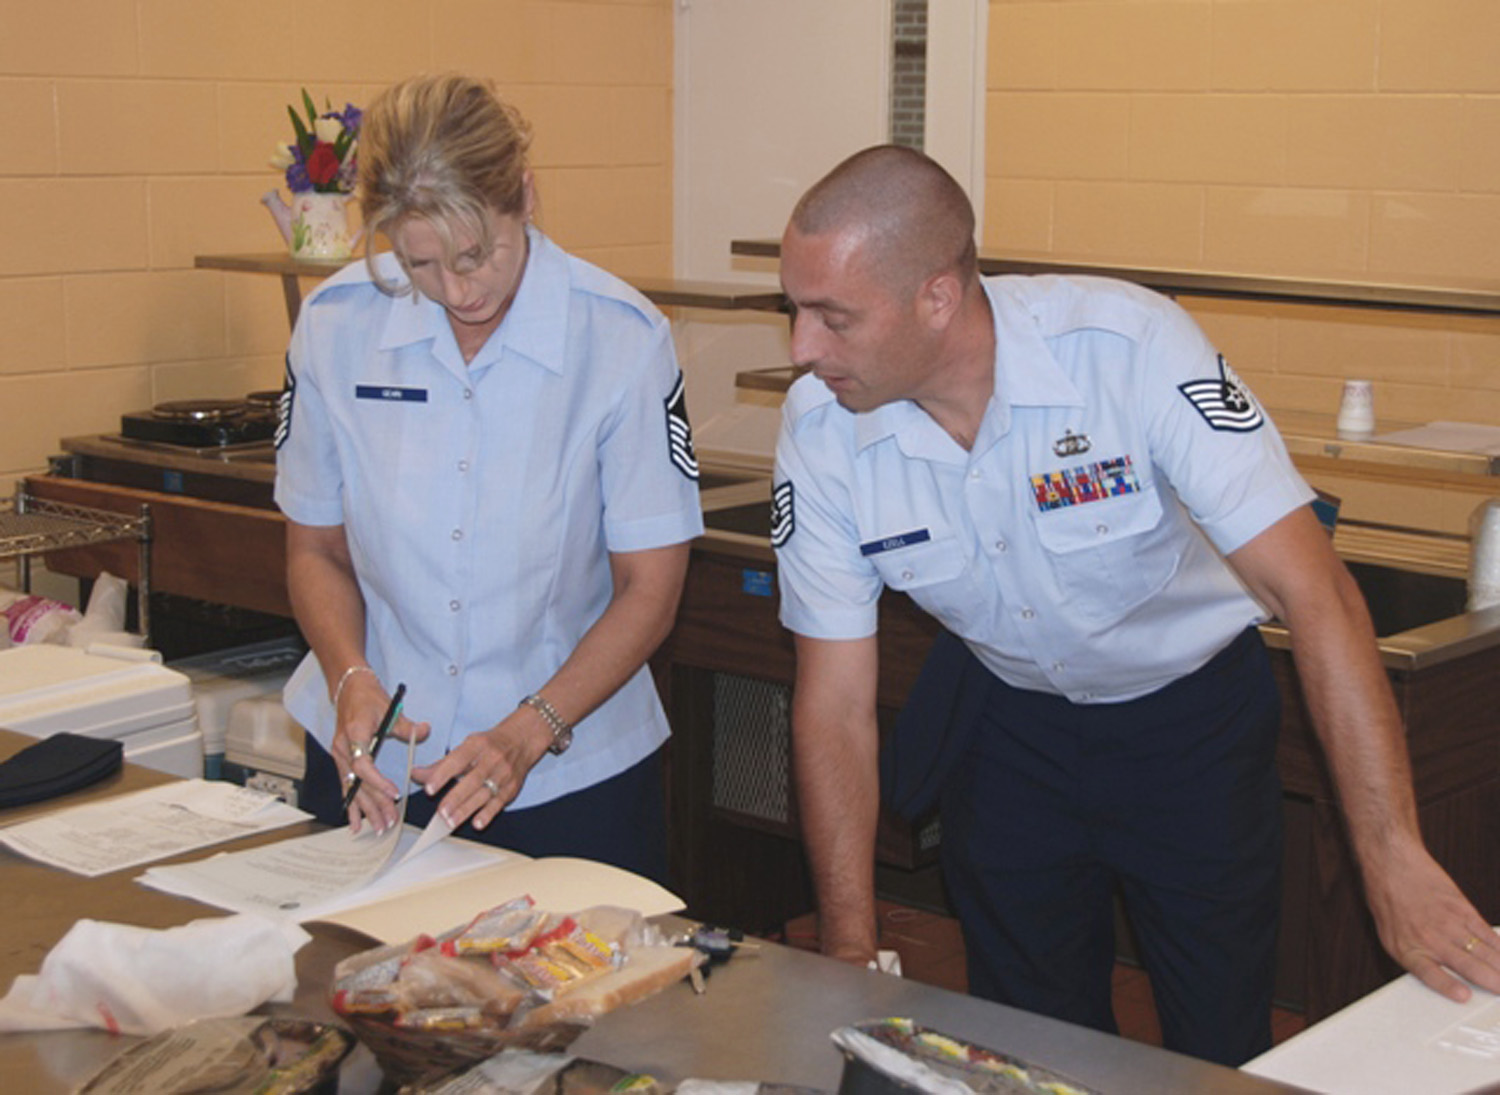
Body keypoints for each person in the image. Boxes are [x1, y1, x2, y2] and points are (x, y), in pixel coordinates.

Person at [771, 144, 1500, 1065]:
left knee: (1216, 1034)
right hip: (1009, 730)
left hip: (1187, 726)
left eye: (832, 317)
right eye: (791, 310)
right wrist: (848, 946)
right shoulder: (822, 429)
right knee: (1027, 1042)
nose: (801, 347)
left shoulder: (1128, 348)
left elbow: (1315, 594)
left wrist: (1393, 857)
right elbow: (833, 702)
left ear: (938, 298)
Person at [274, 73, 702, 883]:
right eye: (421, 264)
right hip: (377, 769)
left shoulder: (620, 340)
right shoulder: (336, 327)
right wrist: (349, 677)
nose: (458, 291)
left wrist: (531, 727)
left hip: (573, 777)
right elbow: (317, 549)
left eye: (478, 255)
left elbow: (651, 585)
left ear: (527, 199)